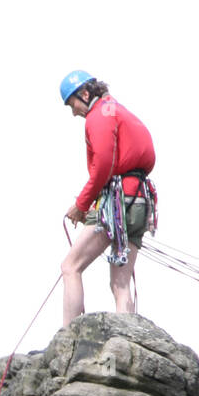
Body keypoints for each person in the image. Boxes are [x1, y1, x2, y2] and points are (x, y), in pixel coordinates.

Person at [59, 69, 156, 325]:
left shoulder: (99, 115)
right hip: (140, 202)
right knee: (121, 283)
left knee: (71, 267)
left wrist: (81, 205)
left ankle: (66, 338)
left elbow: (103, 165)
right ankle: (127, 339)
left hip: (119, 203)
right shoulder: (117, 110)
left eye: (73, 104)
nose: (74, 112)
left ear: (85, 92)